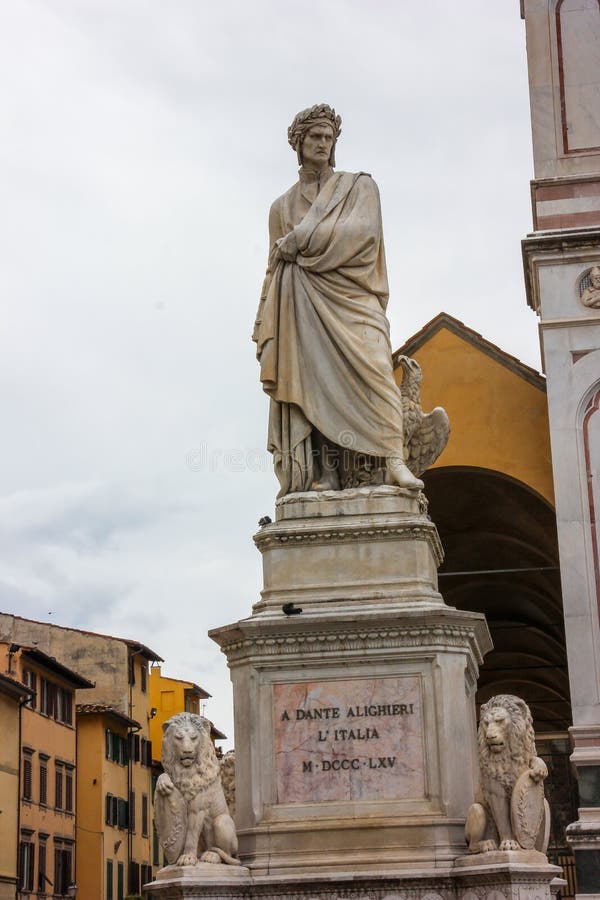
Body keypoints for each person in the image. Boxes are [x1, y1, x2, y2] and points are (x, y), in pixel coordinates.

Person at [253, 104, 423, 497]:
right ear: (299, 144)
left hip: (353, 297)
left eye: (329, 138)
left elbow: (362, 234)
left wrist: (302, 240)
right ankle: (325, 473)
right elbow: (273, 265)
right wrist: (264, 318)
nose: (323, 144)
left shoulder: (359, 187)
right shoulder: (281, 207)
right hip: (301, 304)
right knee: (314, 384)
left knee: (377, 367)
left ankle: (393, 460)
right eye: (315, 137)